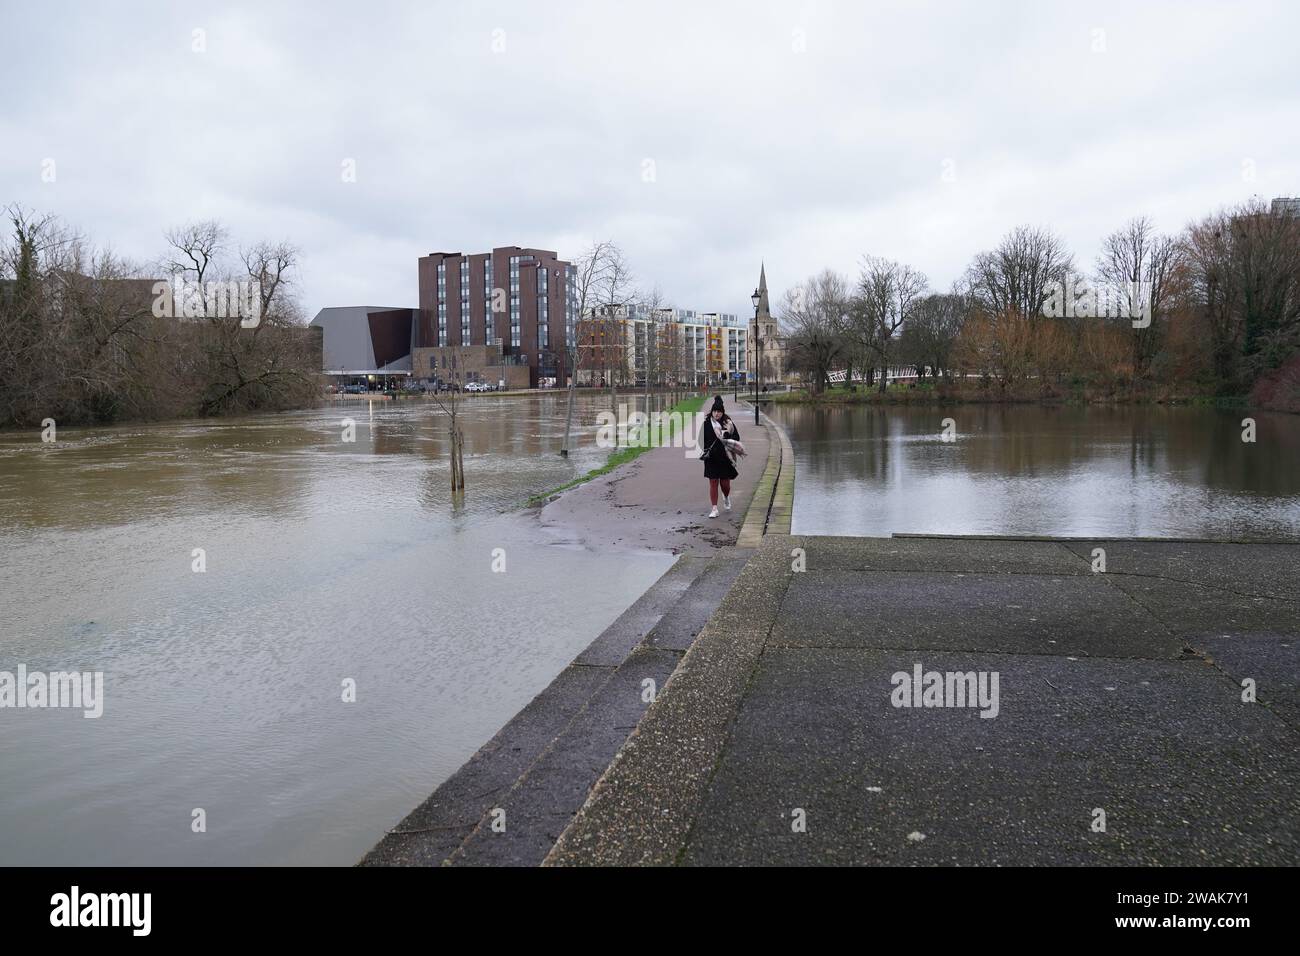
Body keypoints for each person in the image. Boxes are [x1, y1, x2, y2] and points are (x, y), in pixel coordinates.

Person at [699, 395, 739, 518]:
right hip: (711, 458)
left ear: (723, 412)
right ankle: (714, 508)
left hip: (725, 457)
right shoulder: (706, 423)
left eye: (719, 412)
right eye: (715, 411)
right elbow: (702, 439)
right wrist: (705, 451)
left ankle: (726, 497)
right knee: (713, 482)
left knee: (725, 484)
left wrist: (727, 438)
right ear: (712, 411)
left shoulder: (728, 423)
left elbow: (737, 438)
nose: (716, 414)